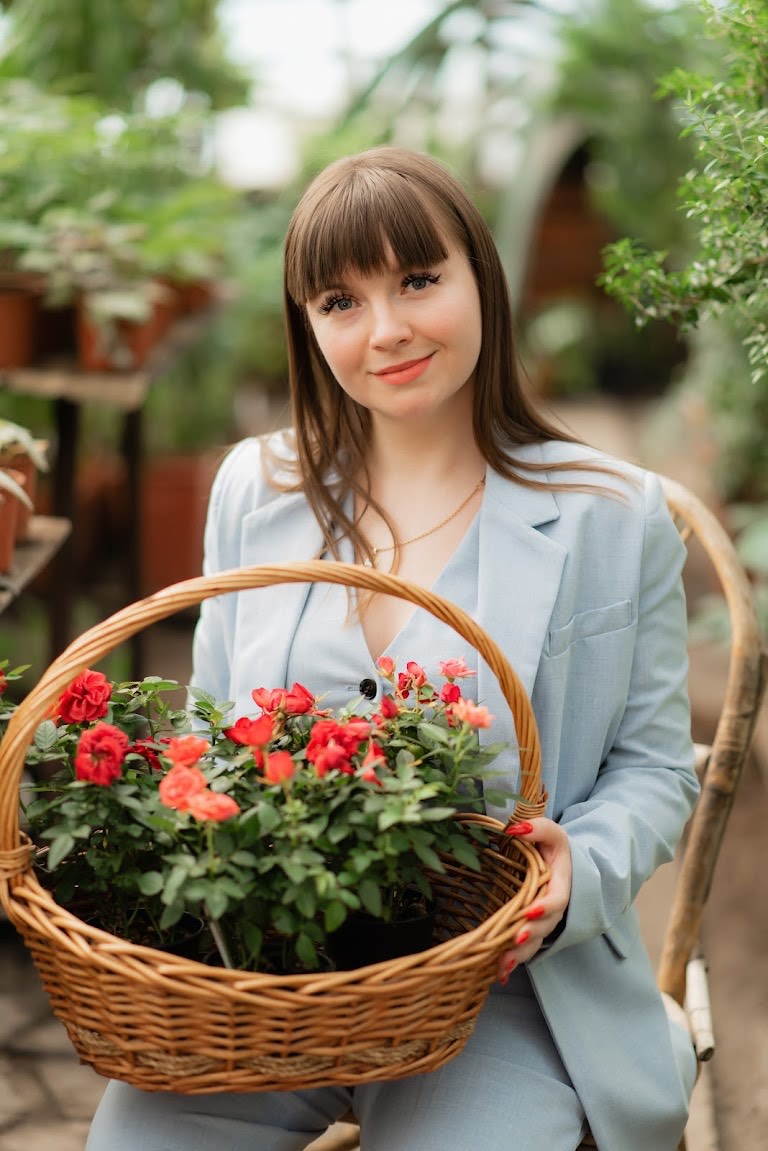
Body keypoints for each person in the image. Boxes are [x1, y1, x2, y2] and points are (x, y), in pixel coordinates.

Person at [87, 145, 699, 1151]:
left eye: (419, 279)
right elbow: (206, 729)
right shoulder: (257, 487)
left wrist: (573, 874)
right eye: (341, 300)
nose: (389, 329)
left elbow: (654, 766)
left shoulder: (610, 513)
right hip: (270, 977)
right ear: (308, 324)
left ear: (480, 280)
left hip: (503, 987)